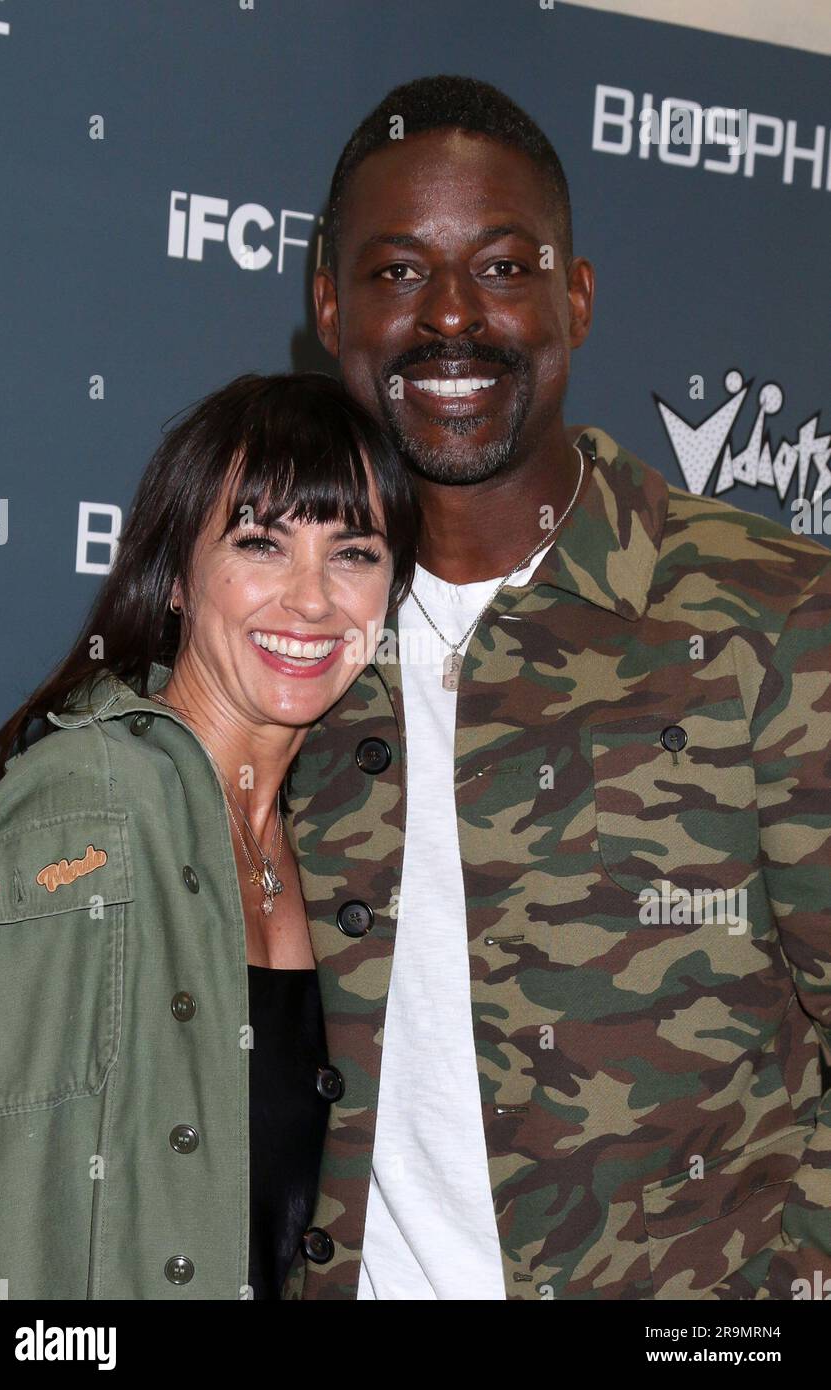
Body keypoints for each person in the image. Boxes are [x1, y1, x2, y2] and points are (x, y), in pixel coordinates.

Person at [281, 74, 831, 1301]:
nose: (451, 318)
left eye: (503, 266)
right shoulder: (282, 649)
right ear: (328, 305)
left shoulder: (771, 613)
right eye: (395, 272)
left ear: (572, 300)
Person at [0, 371, 419, 1299]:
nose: (311, 601)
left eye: (354, 553)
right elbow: (2, 1212)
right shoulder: (80, 815)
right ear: (176, 576)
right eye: (261, 544)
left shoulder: (343, 844)